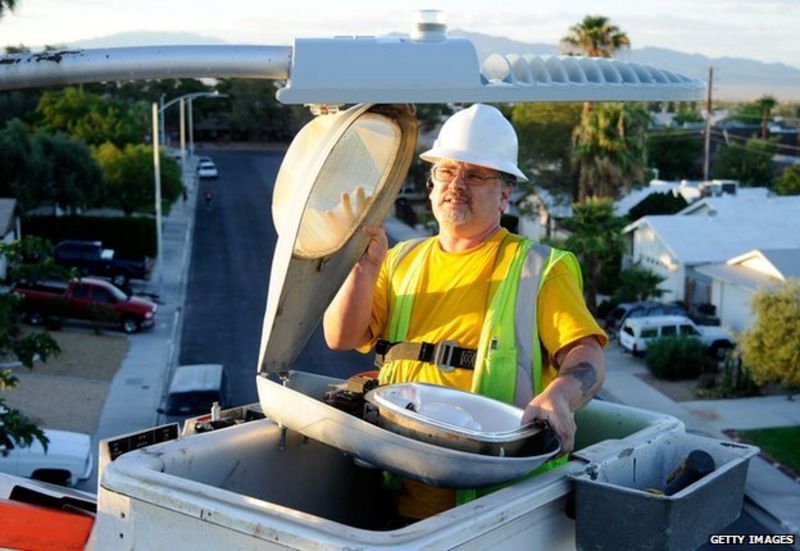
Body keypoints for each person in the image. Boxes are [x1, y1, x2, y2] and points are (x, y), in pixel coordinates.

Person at [323, 104, 607, 520]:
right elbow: (341, 337)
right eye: (446, 171)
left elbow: (588, 356)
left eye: (475, 175)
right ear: (432, 183)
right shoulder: (400, 260)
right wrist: (364, 268)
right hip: (400, 488)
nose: (456, 184)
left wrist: (561, 395)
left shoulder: (539, 267)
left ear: (505, 193)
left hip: (495, 509)